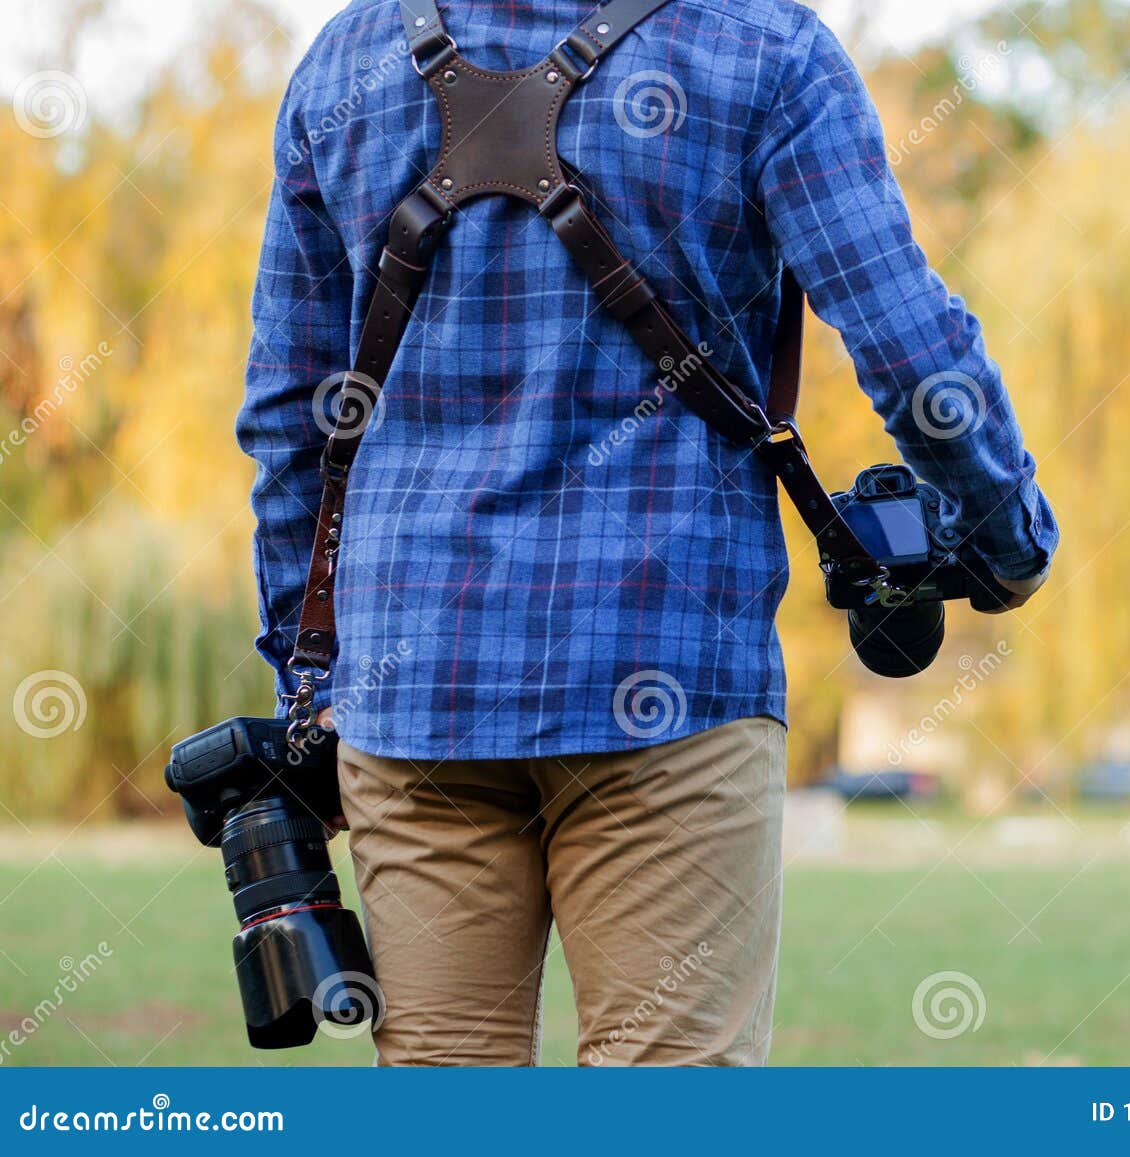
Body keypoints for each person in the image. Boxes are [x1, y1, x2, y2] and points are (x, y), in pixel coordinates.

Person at [238, 0, 1057, 1067]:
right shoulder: (762, 47)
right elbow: (912, 352)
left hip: (413, 689)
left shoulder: (348, 59)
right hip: (664, 665)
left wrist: (305, 678)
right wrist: (1006, 538)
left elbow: (291, 415)